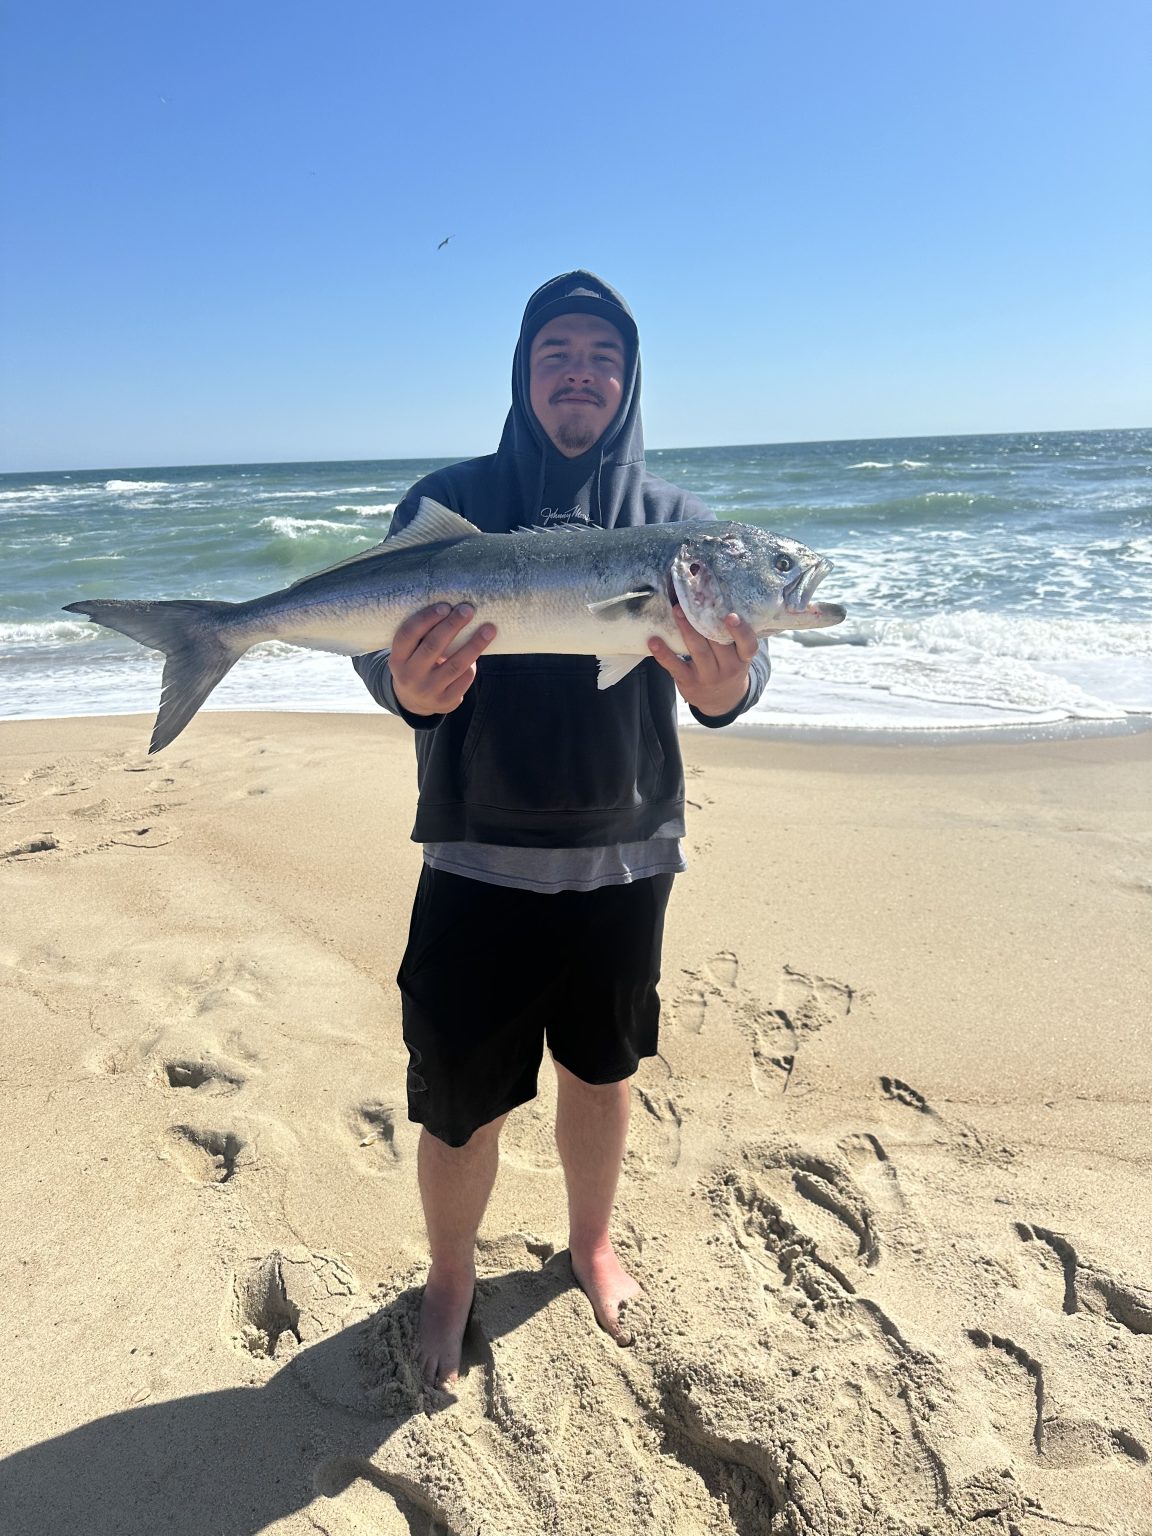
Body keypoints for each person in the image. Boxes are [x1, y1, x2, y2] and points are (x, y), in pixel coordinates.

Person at [353, 271, 771, 1387]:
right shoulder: (449, 500)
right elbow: (369, 649)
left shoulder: (679, 529)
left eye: (602, 355)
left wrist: (726, 686)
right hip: (475, 851)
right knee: (458, 1097)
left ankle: (591, 1243)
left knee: (604, 1067)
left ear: (628, 381)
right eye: (557, 354)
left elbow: (736, 684)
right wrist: (407, 689)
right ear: (525, 374)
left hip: (626, 853)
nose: (579, 372)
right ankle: (451, 1275)